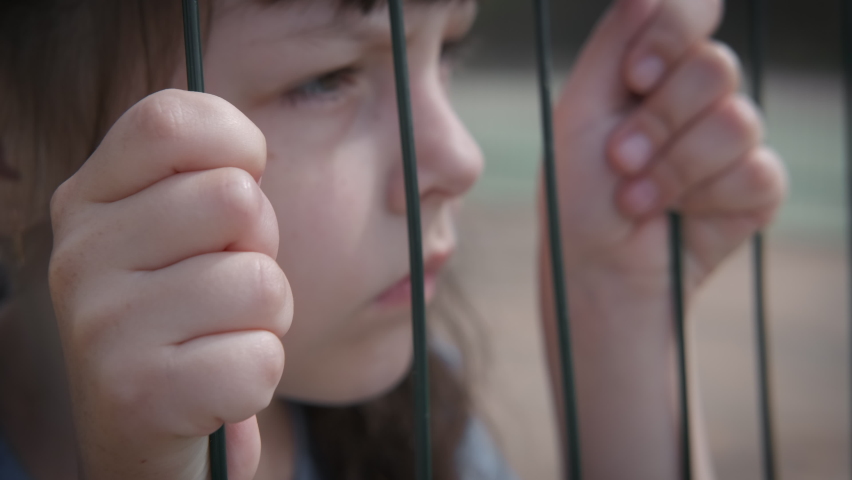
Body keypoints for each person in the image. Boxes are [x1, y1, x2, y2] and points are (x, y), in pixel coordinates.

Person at [0, 0, 786, 478]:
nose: (459, 157)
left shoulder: (403, 414)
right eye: (325, 78)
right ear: (14, 146)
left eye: (448, 51)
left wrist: (616, 314)